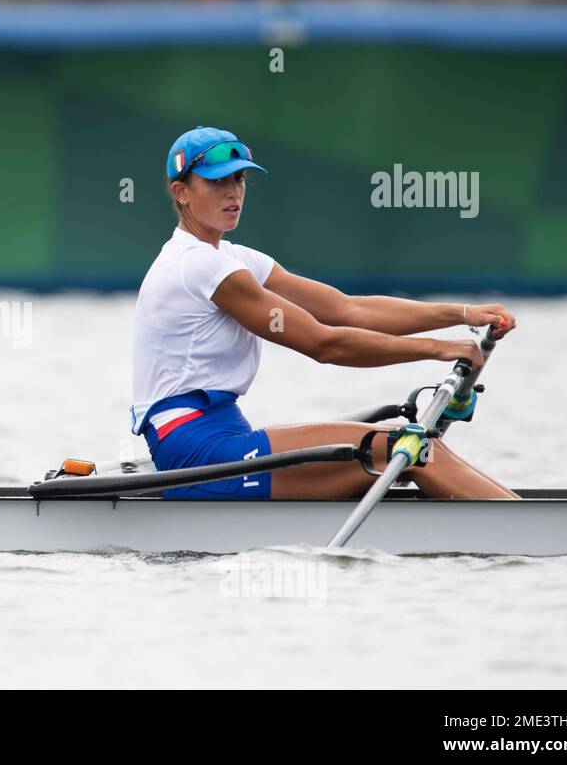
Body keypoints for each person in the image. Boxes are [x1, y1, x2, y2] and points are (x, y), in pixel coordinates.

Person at [132, 126, 516, 500]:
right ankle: (536, 541)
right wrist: (440, 349)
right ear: (181, 192)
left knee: (415, 445)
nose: (234, 192)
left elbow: (347, 309)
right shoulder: (197, 265)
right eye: (218, 183)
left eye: (240, 179)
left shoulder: (233, 257)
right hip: (194, 450)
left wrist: (463, 313)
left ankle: (526, 526)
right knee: (410, 447)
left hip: (223, 435)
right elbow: (324, 344)